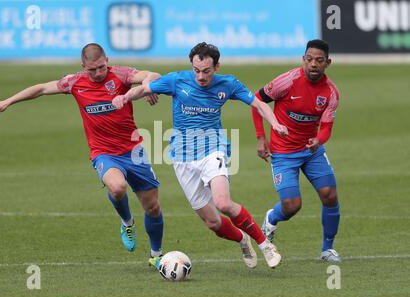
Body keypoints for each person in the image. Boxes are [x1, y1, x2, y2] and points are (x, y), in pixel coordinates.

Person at [113, 42, 288, 269]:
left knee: (223, 202)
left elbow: (258, 104)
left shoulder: (229, 83)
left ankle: (265, 244)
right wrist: (125, 97)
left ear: (216, 67)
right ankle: (241, 239)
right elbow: (143, 89)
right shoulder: (177, 80)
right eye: (196, 70)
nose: (201, 76)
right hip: (182, 158)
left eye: (206, 71)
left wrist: (274, 123)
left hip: (212, 150)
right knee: (213, 222)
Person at [0, 43, 165, 263]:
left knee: (152, 206)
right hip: (103, 152)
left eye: (102, 67)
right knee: (118, 187)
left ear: (107, 60)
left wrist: (148, 85)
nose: (99, 73)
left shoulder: (121, 75)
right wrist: (8, 101)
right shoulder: (75, 82)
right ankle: (127, 222)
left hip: (133, 149)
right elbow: (42, 88)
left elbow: (152, 74)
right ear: (83, 66)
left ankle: (156, 255)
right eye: (93, 70)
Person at [250, 39, 342, 262]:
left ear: (327, 63)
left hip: (311, 151)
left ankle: (327, 249)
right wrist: (261, 138)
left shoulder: (330, 93)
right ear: (303, 59)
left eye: (319, 60)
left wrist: (318, 140)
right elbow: (257, 100)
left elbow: (327, 128)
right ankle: (272, 218)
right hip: (283, 153)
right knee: (292, 206)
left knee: (329, 195)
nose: (313, 64)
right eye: (309, 59)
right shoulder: (288, 81)